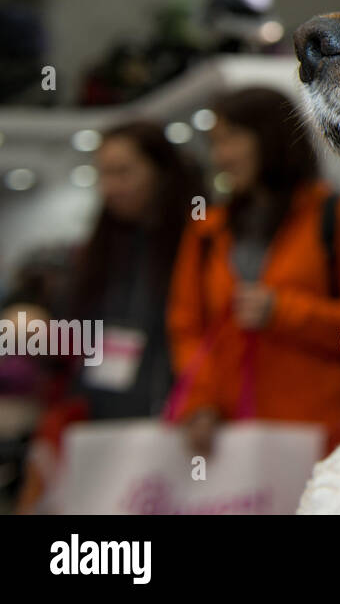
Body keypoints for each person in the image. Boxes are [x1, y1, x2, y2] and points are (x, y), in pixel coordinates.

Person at [166, 87, 340, 455]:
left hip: (315, 436)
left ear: (269, 137)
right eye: (215, 143)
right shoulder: (207, 230)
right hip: (226, 440)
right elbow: (187, 329)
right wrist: (200, 402)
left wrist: (283, 311)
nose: (220, 155)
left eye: (232, 139)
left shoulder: (338, 217)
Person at [13, 122, 203, 512]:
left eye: (123, 172)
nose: (110, 186)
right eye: (104, 173)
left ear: (160, 171)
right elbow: (79, 336)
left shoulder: (198, 241)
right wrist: (40, 329)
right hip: (95, 424)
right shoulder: (98, 251)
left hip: (170, 427)